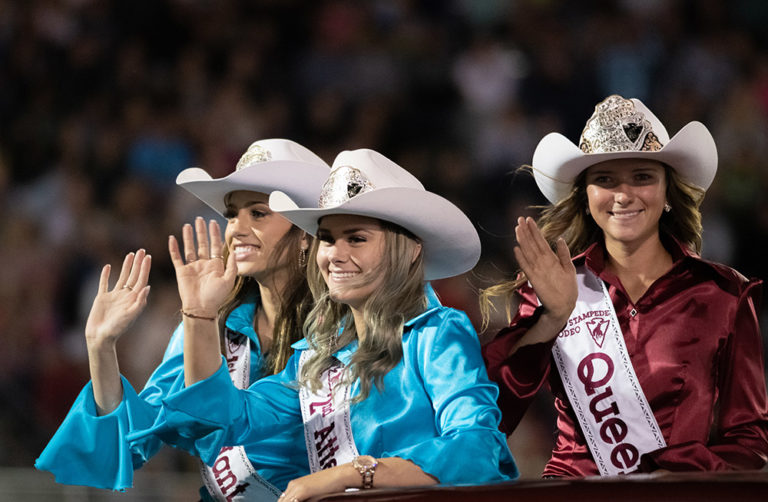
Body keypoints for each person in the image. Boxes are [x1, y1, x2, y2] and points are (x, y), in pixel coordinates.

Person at [126, 148, 519, 501]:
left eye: (357, 238)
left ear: (410, 250)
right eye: (328, 239)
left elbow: (478, 447)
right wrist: (199, 315)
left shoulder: (436, 335)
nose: (335, 255)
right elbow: (224, 420)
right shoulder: (316, 358)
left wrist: (349, 476)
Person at [481, 94, 768, 477]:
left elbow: (750, 441)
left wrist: (686, 473)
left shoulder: (725, 295)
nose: (622, 194)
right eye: (604, 179)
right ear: (585, 196)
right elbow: (489, 419)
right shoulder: (552, 286)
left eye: (642, 177)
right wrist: (550, 320)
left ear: (668, 191)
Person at [36, 139, 331, 500]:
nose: (236, 229)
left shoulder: (339, 329)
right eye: (231, 214)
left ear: (305, 233)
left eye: (257, 213)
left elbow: (230, 419)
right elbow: (131, 444)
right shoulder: (211, 324)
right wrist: (100, 348)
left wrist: (200, 317)